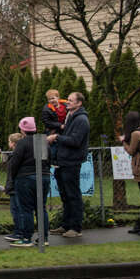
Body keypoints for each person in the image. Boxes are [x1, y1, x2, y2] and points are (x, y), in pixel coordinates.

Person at [46, 91, 89, 238]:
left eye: (71, 100)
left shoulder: (81, 120)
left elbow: (75, 141)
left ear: (79, 103)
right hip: (63, 161)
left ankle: (75, 227)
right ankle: (66, 225)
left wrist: (57, 137)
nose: (67, 102)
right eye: (68, 100)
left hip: (72, 162)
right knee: (65, 195)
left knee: (73, 195)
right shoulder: (70, 117)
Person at [5, 117, 49, 246]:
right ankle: (44, 238)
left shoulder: (22, 143)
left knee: (26, 209)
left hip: (26, 178)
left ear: (22, 130)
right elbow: (49, 158)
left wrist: (14, 177)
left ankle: (26, 238)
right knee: (41, 208)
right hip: (44, 176)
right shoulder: (42, 141)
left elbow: (15, 162)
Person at [5, 132, 24, 236]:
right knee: (17, 210)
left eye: (9, 141)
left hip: (15, 187)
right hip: (16, 186)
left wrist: (9, 186)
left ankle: (19, 232)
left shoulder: (14, 156)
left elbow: (12, 173)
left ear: (12, 143)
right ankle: (19, 231)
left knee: (16, 210)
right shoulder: (18, 155)